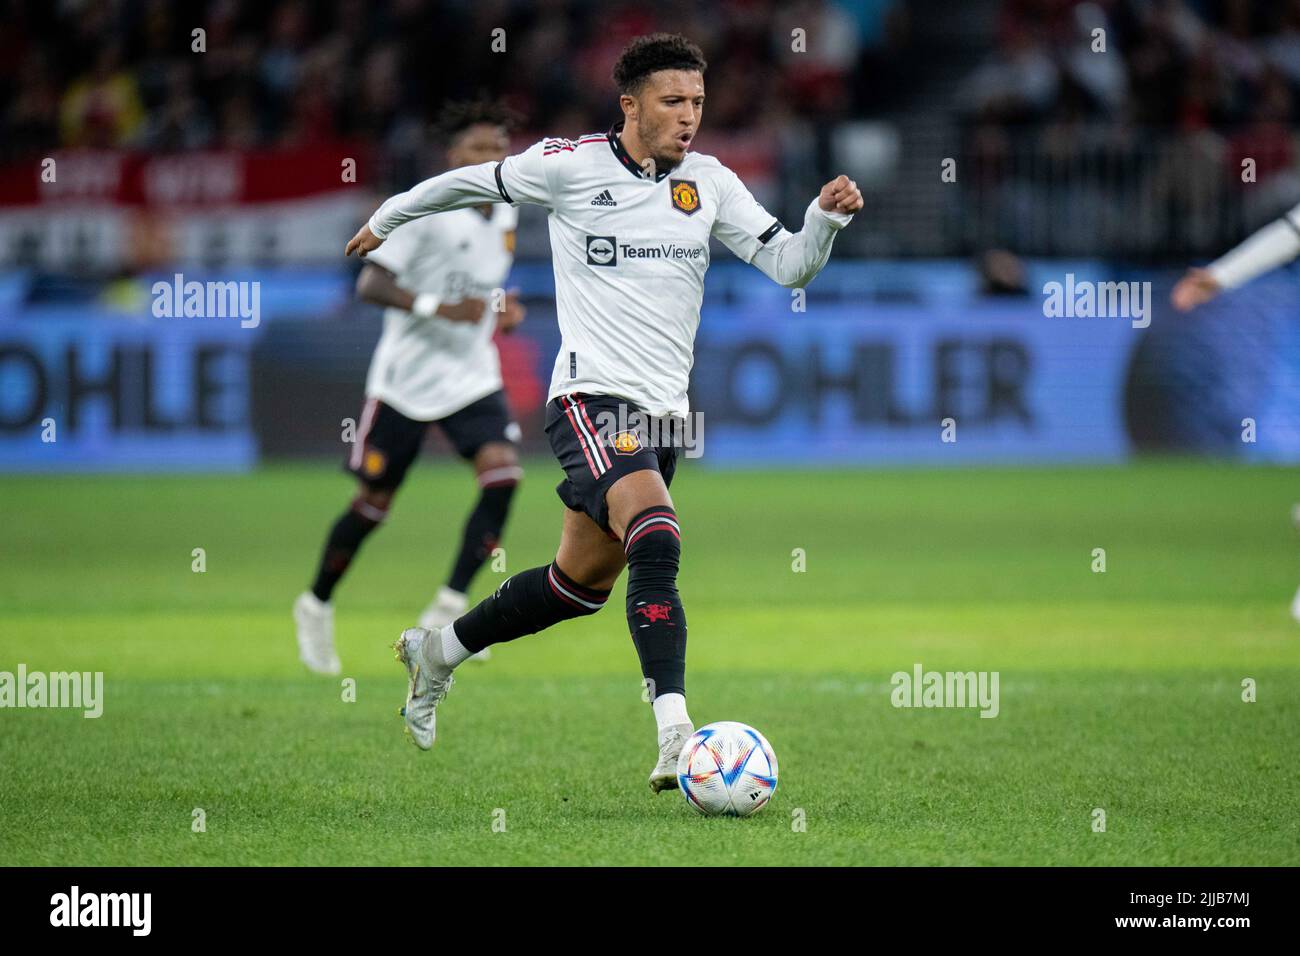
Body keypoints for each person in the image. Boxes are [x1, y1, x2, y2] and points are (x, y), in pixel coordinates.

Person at [345, 34, 862, 791]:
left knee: (577, 585)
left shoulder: (709, 183)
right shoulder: (569, 165)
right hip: (589, 397)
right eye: (672, 102)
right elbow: (468, 183)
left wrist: (822, 220)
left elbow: (788, 265)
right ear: (631, 105)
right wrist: (389, 216)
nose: (689, 117)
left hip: (665, 416)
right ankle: (675, 733)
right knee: (657, 535)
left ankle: (436, 653)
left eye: (697, 103)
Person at [294, 100, 526, 674]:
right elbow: (370, 283)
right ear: (454, 158)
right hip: (406, 380)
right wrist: (436, 306)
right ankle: (316, 604)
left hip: (471, 373)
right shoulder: (424, 211)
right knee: (374, 504)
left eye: (498, 149)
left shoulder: (505, 213)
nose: (490, 159)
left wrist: (501, 306)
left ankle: (449, 607)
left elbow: (482, 284)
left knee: (503, 476)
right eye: (477, 149)